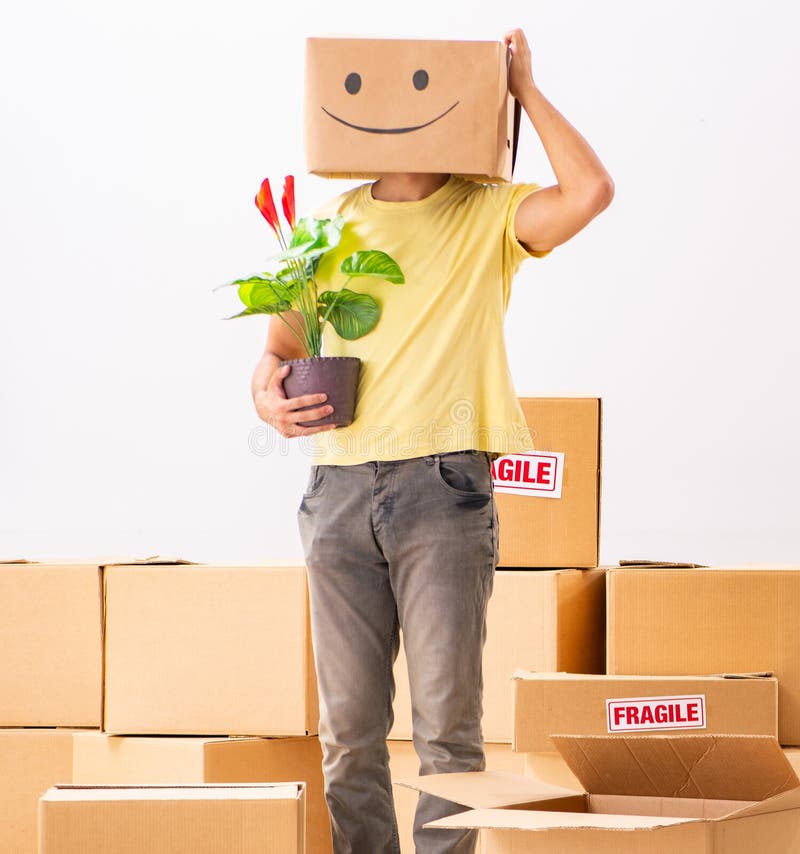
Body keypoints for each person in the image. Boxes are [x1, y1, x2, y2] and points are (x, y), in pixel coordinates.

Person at [251, 27, 613, 854]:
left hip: (442, 494)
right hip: (337, 490)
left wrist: (521, 92)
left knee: (448, 731)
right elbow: (277, 351)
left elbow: (590, 191)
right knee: (347, 734)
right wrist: (266, 393)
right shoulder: (328, 230)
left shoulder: (490, 214)